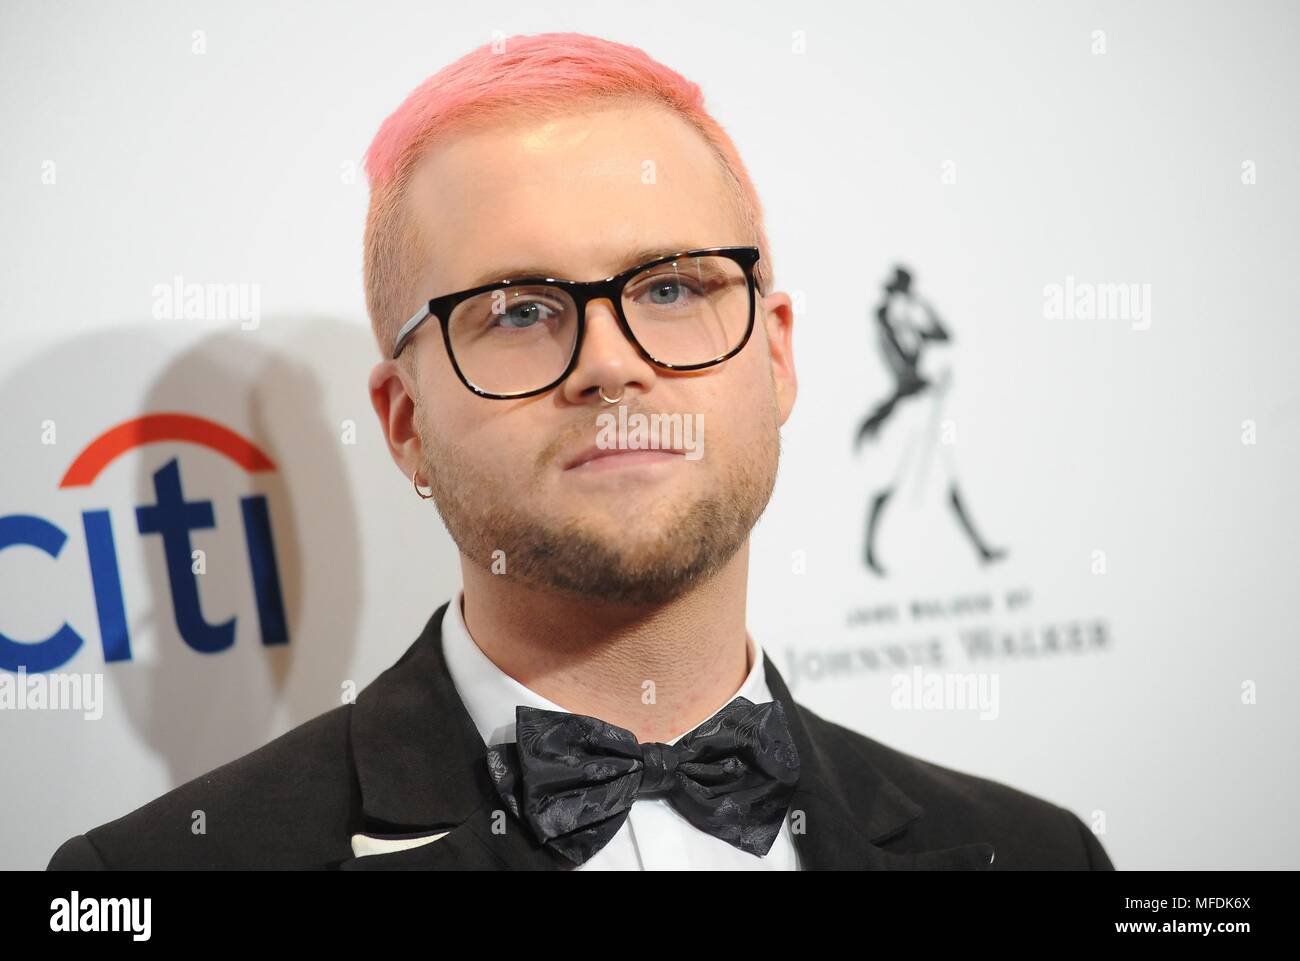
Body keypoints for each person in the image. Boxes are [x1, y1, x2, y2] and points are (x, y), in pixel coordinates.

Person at [47, 32, 1112, 871]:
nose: (610, 364)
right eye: (518, 310)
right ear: (406, 423)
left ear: (776, 359)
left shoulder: (1032, 854)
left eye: (670, 288)